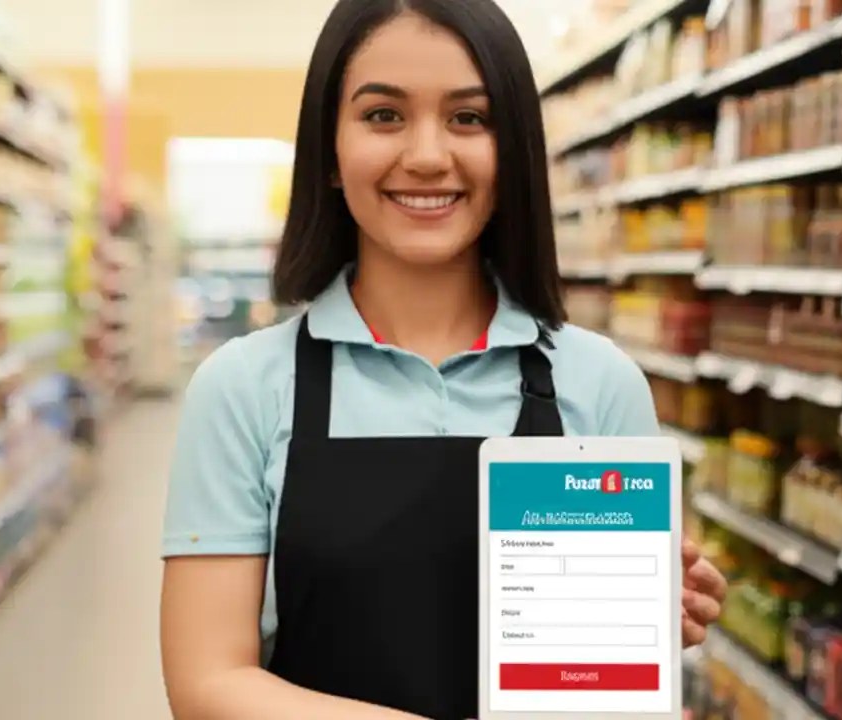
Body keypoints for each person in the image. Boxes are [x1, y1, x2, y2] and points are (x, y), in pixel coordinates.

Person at [159, 1, 727, 718]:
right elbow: (206, 685)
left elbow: (598, 687)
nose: (427, 156)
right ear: (330, 153)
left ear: (512, 149)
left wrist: (638, 627)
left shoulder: (600, 382)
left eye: (469, 118)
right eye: (383, 116)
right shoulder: (244, 388)